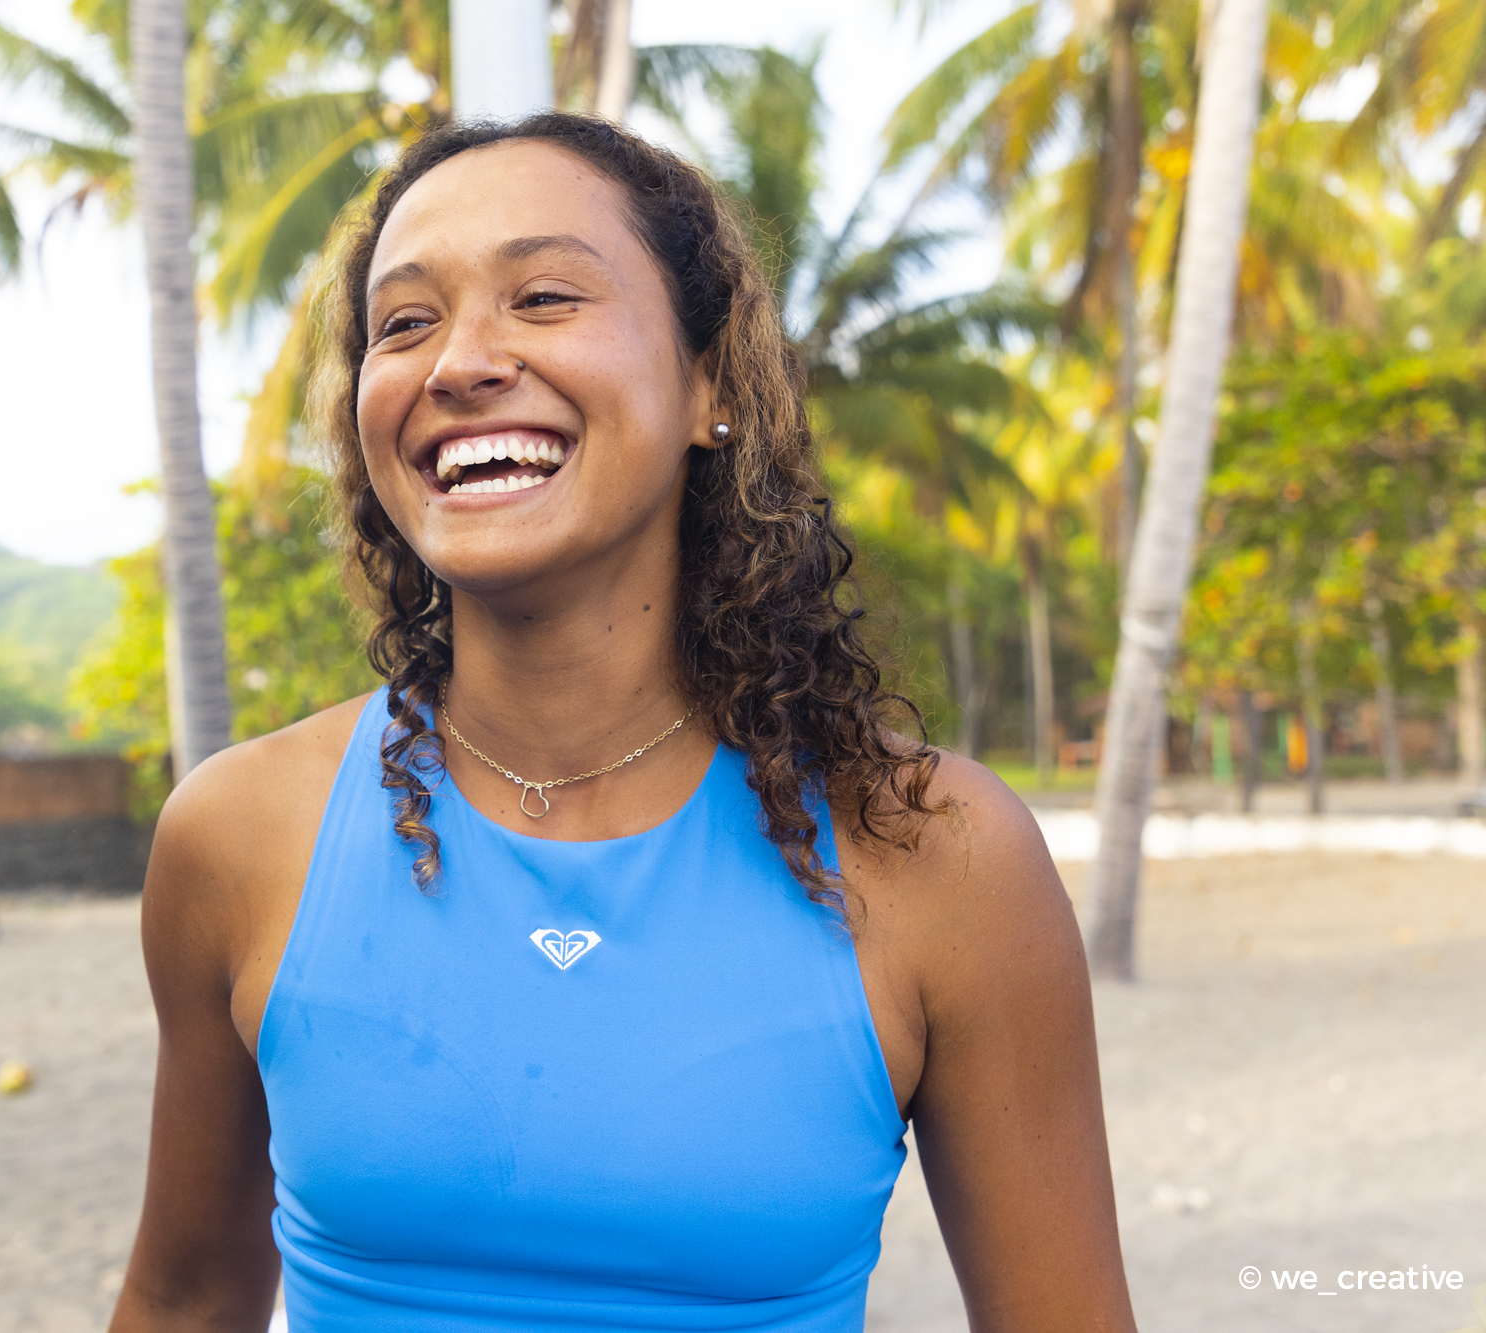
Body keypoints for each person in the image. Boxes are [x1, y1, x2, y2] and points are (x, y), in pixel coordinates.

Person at [109, 113, 1136, 1333]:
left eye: (542, 296)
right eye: (404, 321)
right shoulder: (239, 834)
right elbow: (184, 1300)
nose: (458, 363)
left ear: (709, 383)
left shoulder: (931, 850)